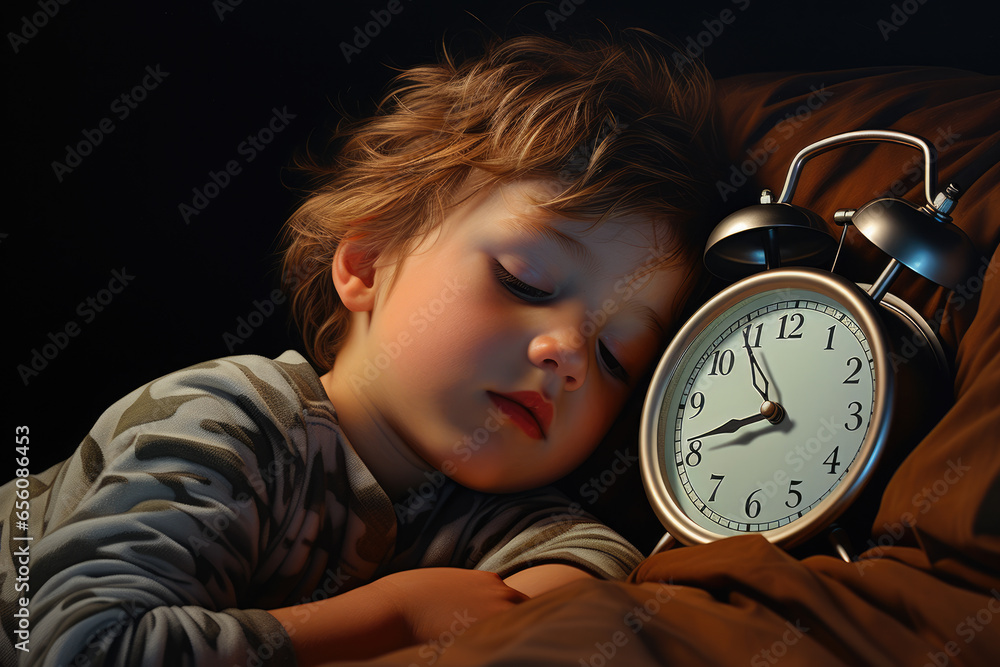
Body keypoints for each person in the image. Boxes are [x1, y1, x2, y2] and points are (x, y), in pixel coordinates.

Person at [0, 32, 722, 666]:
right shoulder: (230, 421)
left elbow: (588, 580)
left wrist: (547, 600)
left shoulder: (510, 525)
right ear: (368, 264)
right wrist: (396, 615)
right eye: (523, 280)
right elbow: (81, 646)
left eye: (617, 356)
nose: (569, 351)